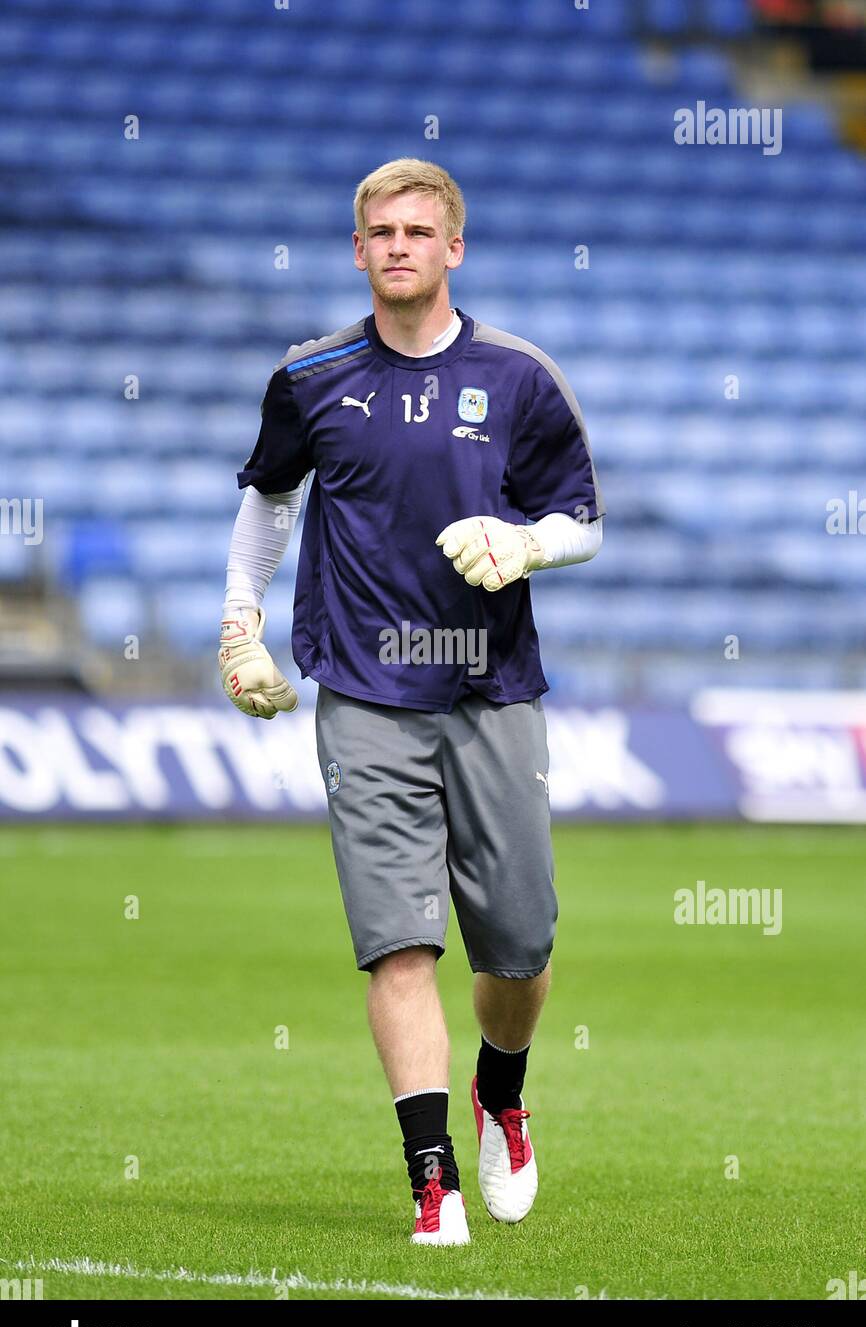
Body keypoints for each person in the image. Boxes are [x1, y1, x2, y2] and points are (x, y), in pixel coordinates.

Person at [219, 158, 605, 1245]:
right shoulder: (310, 377)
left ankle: (503, 1089)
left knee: (518, 949)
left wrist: (524, 541)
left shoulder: (520, 377)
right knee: (397, 941)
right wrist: (237, 621)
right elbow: (267, 501)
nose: (397, 244)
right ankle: (429, 1175)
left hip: (491, 694)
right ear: (357, 250)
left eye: (416, 229)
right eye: (378, 230)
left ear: (452, 248)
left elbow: (584, 518)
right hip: (363, 696)